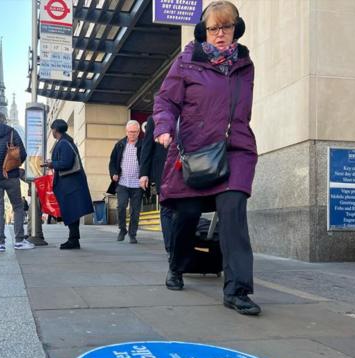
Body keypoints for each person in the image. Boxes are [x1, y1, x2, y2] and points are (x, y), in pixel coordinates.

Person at [153, 1, 261, 316]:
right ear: (204, 31)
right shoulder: (187, 61)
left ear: (236, 29)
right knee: (187, 215)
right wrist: (163, 127)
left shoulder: (245, 64)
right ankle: (177, 265)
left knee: (233, 212)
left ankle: (237, 290)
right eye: (214, 28)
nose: (220, 34)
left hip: (235, 149)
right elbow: (166, 100)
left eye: (226, 27)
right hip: (195, 150)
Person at [0, 110, 35, 252]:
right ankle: (19, 241)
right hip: (11, 176)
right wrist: (13, 164)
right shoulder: (11, 132)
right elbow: (23, 154)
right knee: (18, 207)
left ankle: (0, 243)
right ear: (4, 119)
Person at [45, 119, 94, 250]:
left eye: (52, 129)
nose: (52, 132)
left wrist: (52, 164)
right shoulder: (65, 141)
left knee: (71, 211)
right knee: (73, 211)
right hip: (71, 183)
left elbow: (66, 163)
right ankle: (73, 239)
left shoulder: (63, 143)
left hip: (69, 184)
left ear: (55, 130)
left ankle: (73, 240)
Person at [139, 115, 174, 258]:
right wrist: (144, 174)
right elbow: (147, 147)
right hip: (163, 171)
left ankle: (182, 246)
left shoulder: (188, 111)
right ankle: (171, 249)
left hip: (186, 169)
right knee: (166, 209)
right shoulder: (154, 119)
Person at [108, 120, 144, 244]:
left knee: (135, 210)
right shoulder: (120, 145)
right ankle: (122, 229)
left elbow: (147, 162)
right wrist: (113, 173)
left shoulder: (143, 145)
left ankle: (132, 234)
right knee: (121, 206)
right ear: (126, 131)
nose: (132, 134)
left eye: (135, 132)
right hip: (122, 182)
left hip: (137, 184)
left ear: (138, 132)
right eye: (130, 132)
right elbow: (112, 162)